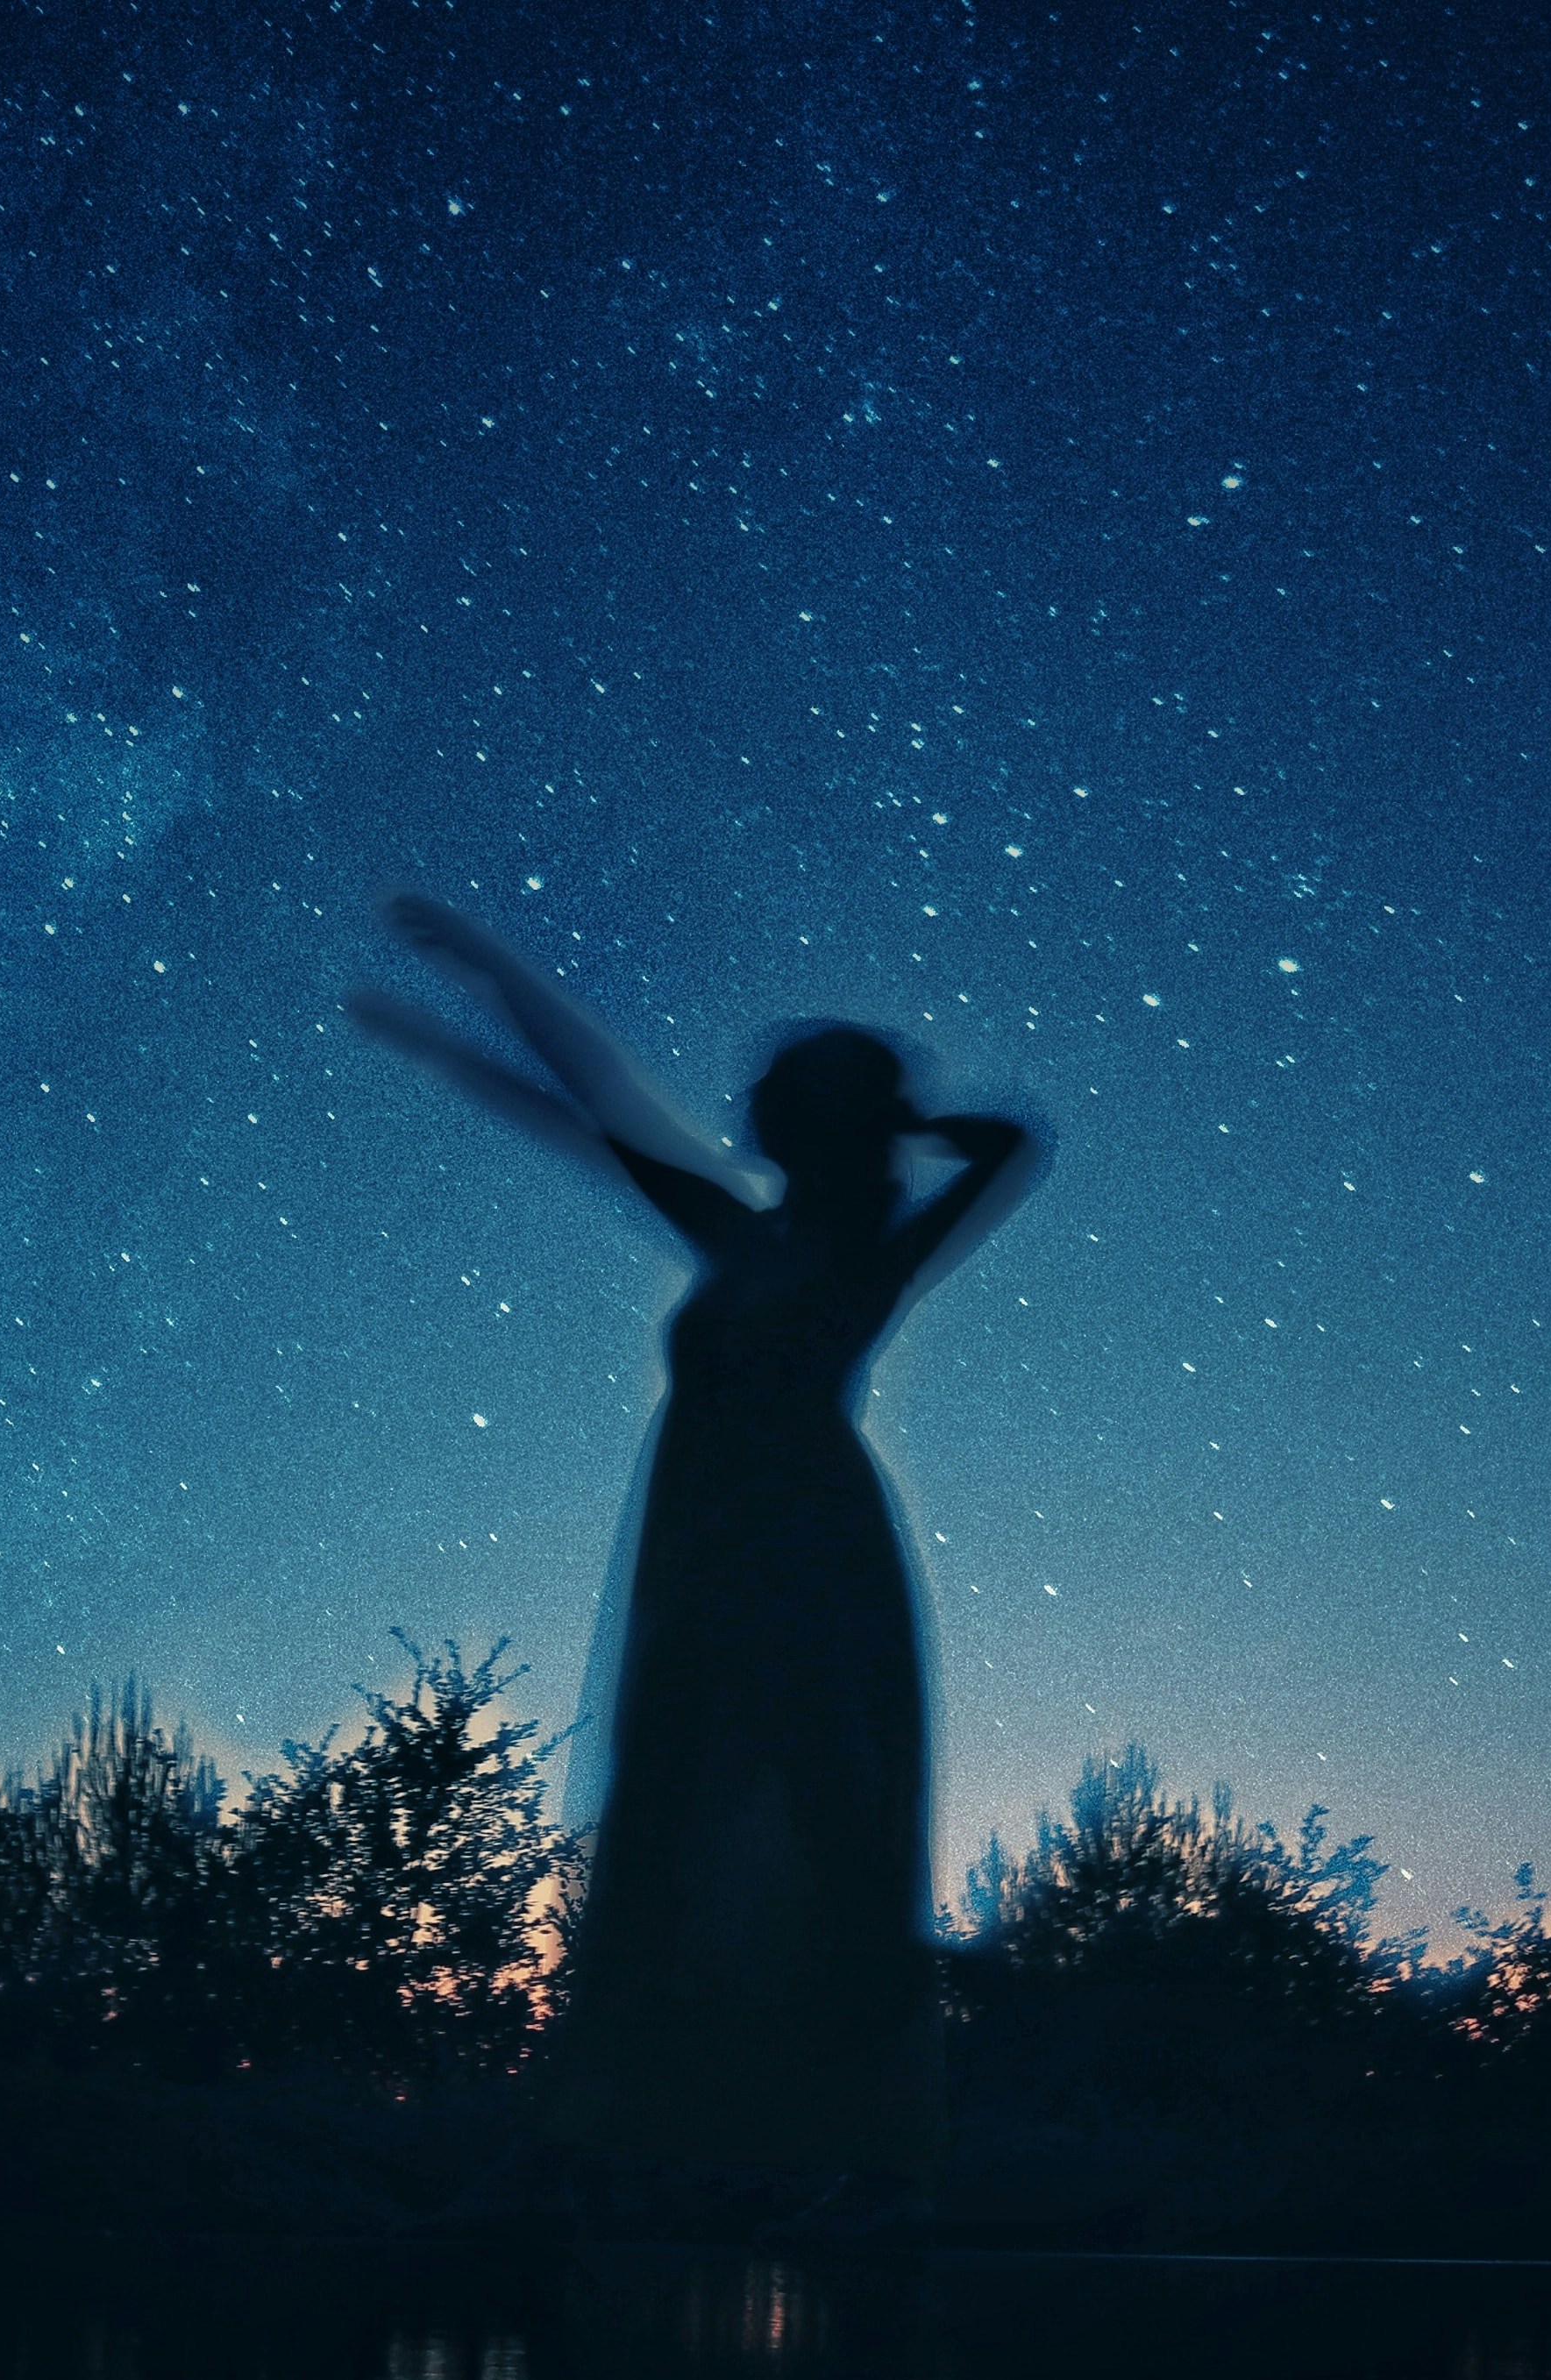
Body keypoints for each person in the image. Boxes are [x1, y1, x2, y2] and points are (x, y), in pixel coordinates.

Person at [348, 899, 1039, 2192]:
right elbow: (592, 1111)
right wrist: (480, 988)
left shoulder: (866, 1258)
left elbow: (1013, 1147)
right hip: (705, 1556)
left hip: (808, 1554)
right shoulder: (740, 1235)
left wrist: (910, 1122)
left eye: (787, 1100)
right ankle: (618, 2148)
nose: (752, 1111)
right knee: (672, 1812)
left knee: (830, 1827)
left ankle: (869, 2166)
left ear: (821, 1127)